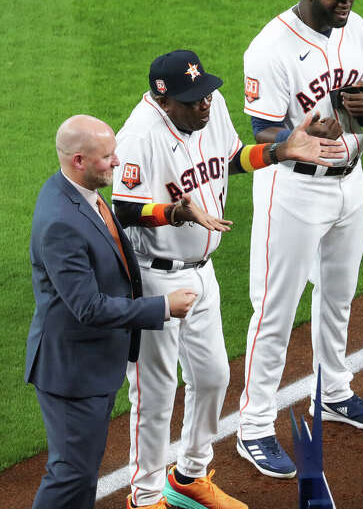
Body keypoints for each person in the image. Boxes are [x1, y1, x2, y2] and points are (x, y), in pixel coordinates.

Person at [112, 50, 340, 508]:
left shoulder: (207, 114)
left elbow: (232, 159)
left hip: (203, 275)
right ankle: (144, 497)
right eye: (193, 99)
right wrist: (175, 211)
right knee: (156, 395)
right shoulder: (140, 135)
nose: (206, 103)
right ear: (164, 100)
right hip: (156, 280)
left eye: (206, 93)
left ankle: (188, 477)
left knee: (214, 376)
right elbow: (123, 208)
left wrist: (281, 151)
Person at [238, 0, 363, 479]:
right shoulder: (269, 49)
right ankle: (254, 424)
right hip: (294, 190)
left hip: (350, 184)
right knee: (275, 310)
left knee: (338, 296)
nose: (347, 3)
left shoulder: (359, 27)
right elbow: (261, 130)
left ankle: (333, 392)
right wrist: (297, 137)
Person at [26, 116, 197, 509]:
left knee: (82, 470)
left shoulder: (78, 192)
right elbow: (87, 307)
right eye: (107, 157)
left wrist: (169, 213)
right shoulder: (60, 222)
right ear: (80, 161)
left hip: (91, 364)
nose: (117, 162)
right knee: (71, 473)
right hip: (72, 371)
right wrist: (162, 308)